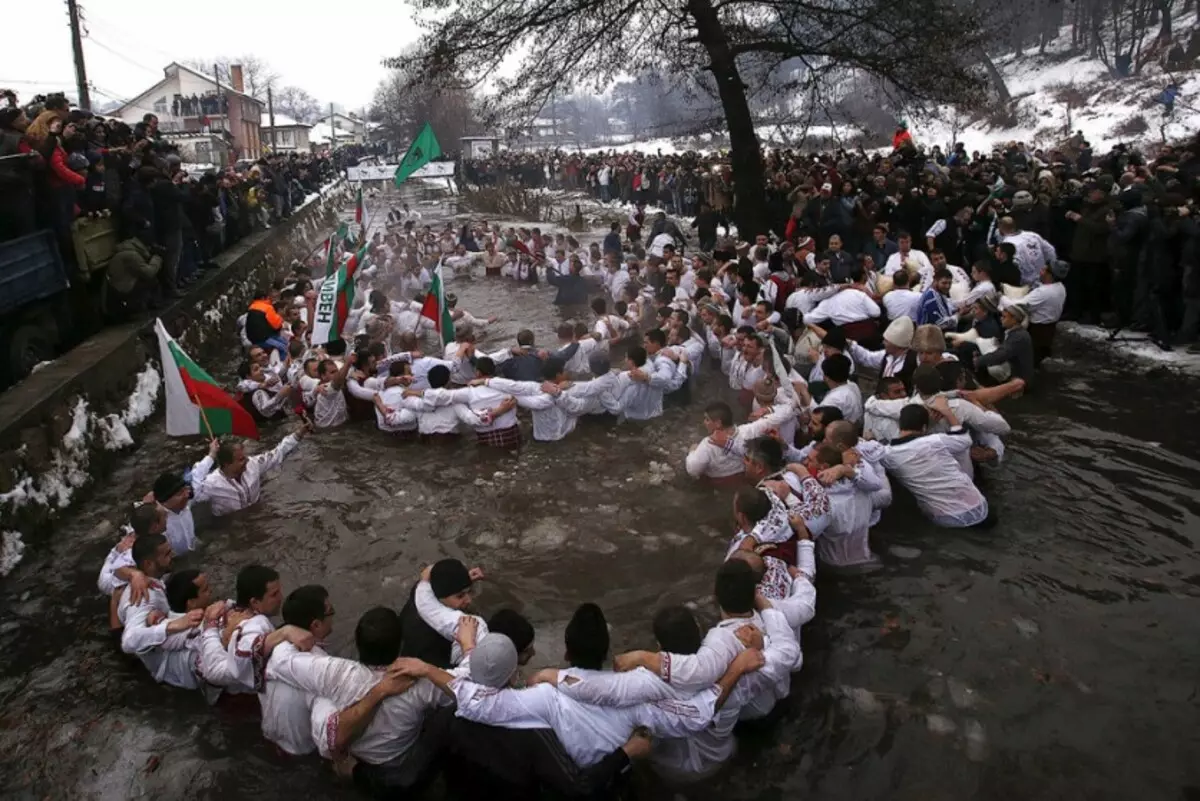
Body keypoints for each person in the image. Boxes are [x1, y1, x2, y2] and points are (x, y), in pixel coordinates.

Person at [880, 400, 992, 528]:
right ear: (923, 428)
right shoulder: (936, 441)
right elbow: (965, 440)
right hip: (978, 508)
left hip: (945, 518)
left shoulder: (887, 454)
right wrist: (947, 412)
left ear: (900, 425)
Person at [118, 533, 206, 689]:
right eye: (166, 554)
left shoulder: (149, 581)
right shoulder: (143, 598)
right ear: (149, 564)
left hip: (165, 647)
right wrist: (173, 626)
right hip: (167, 666)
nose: (172, 556)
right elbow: (128, 641)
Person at [193, 424, 309, 516]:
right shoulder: (211, 484)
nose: (247, 461)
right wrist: (211, 456)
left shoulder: (253, 464)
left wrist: (298, 434)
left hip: (257, 514)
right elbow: (193, 491)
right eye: (241, 459)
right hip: (230, 527)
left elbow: (276, 454)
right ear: (227, 464)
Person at [1023, 260, 1069, 363]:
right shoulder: (1060, 287)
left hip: (1037, 330)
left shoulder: (1043, 292)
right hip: (1050, 328)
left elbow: (1022, 305)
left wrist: (1003, 299)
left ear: (1050, 275)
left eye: (1043, 270)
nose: (1040, 271)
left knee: (1032, 357)